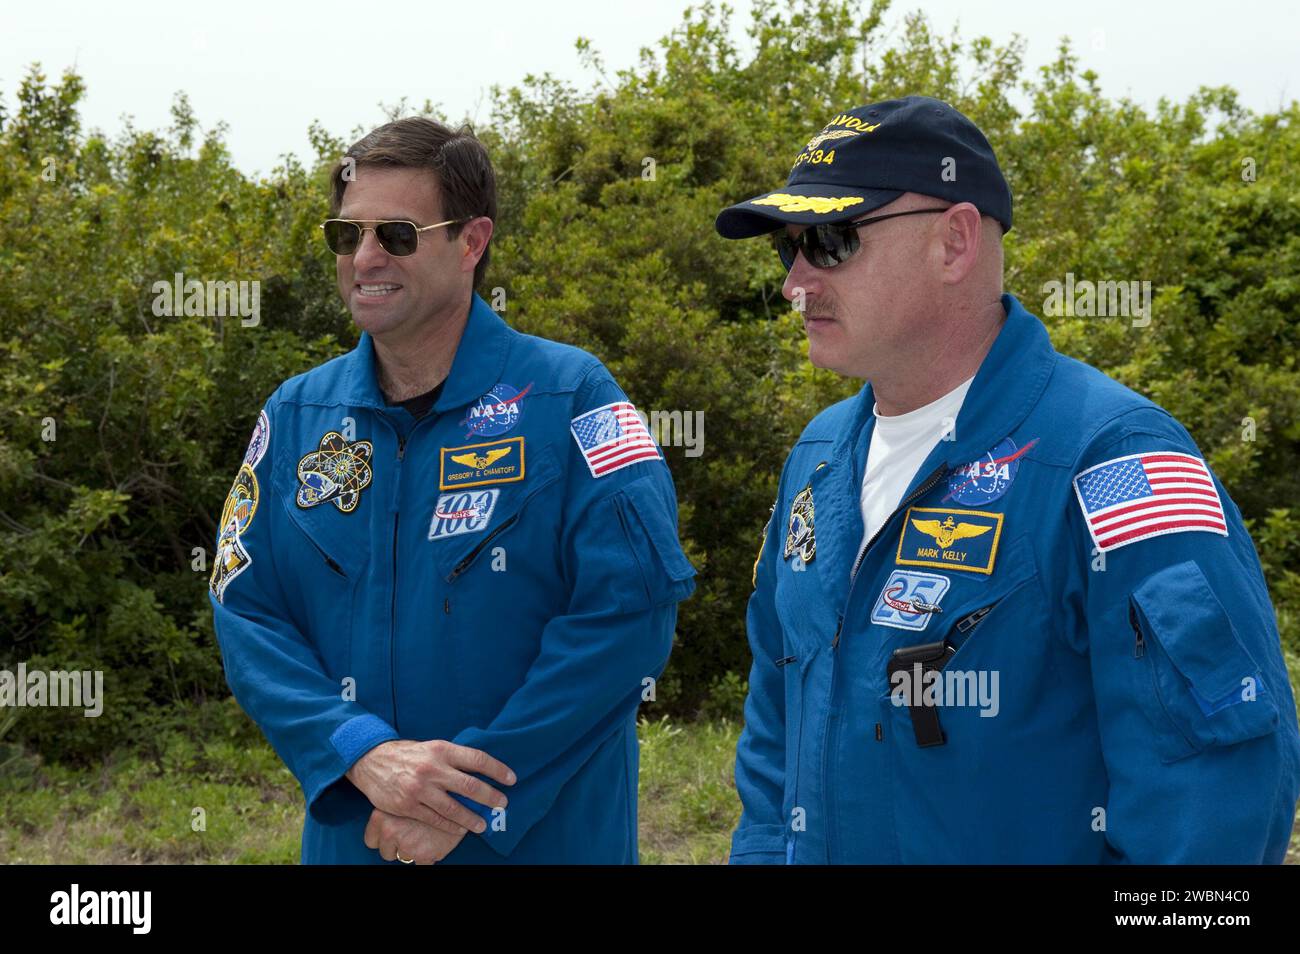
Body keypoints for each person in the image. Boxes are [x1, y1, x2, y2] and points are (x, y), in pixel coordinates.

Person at [715, 94, 1300, 863]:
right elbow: (776, 733)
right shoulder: (819, 457)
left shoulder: (1114, 461)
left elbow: (1213, 792)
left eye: (828, 241)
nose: (796, 282)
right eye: (785, 250)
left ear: (954, 242)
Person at [210, 117, 695, 864]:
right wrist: (361, 753)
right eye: (347, 236)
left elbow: (628, 619)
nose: (365, 258)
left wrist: (462, 800)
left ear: (470, 242)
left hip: (541, 839)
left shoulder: (574, 399)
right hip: (361, 832)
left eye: (396, 235)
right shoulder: (295, 415)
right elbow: (246, 610)